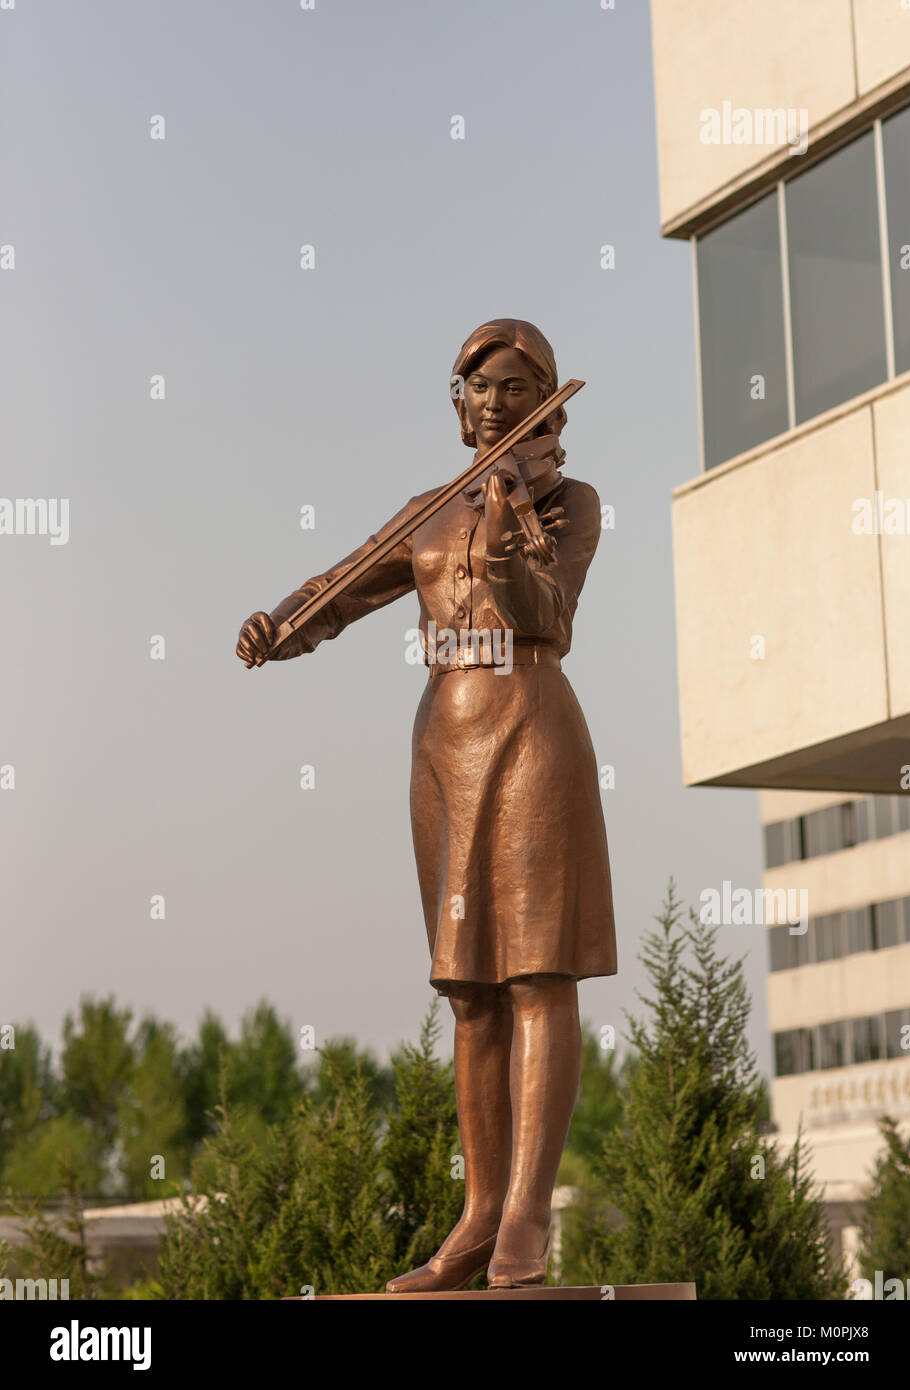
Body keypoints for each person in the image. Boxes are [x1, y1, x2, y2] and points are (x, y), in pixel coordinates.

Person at [236, 319, 617, 1291]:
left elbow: (548, 615)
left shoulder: (568, 502)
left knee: (537, 971)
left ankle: (528, 1212)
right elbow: (345, 585)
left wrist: (507, 515)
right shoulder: (429, 507)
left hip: (531, 716)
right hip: (445, 735)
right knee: (469, 986)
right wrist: (281, 624)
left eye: (514, 384)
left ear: (545, 402)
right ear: (460, 403)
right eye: (478, 385)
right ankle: (478, 1217)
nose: (493, 400)